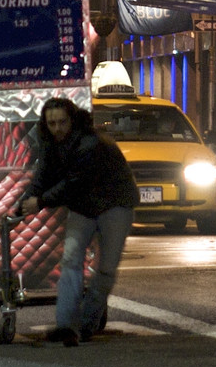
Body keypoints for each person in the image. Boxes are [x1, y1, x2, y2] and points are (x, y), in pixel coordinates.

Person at [24, 96, 138, 346]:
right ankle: (66, 326)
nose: (57, 128)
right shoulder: (50, 141)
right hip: (84, 206)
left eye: (62, 122)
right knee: (71, 260)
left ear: (72, 121)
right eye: (51, 123)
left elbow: (73, 184)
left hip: (115, 204)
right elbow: (42, 176)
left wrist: (39, 202)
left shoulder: (90, 142)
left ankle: (86, 324)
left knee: (106, 269)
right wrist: (23, 203)